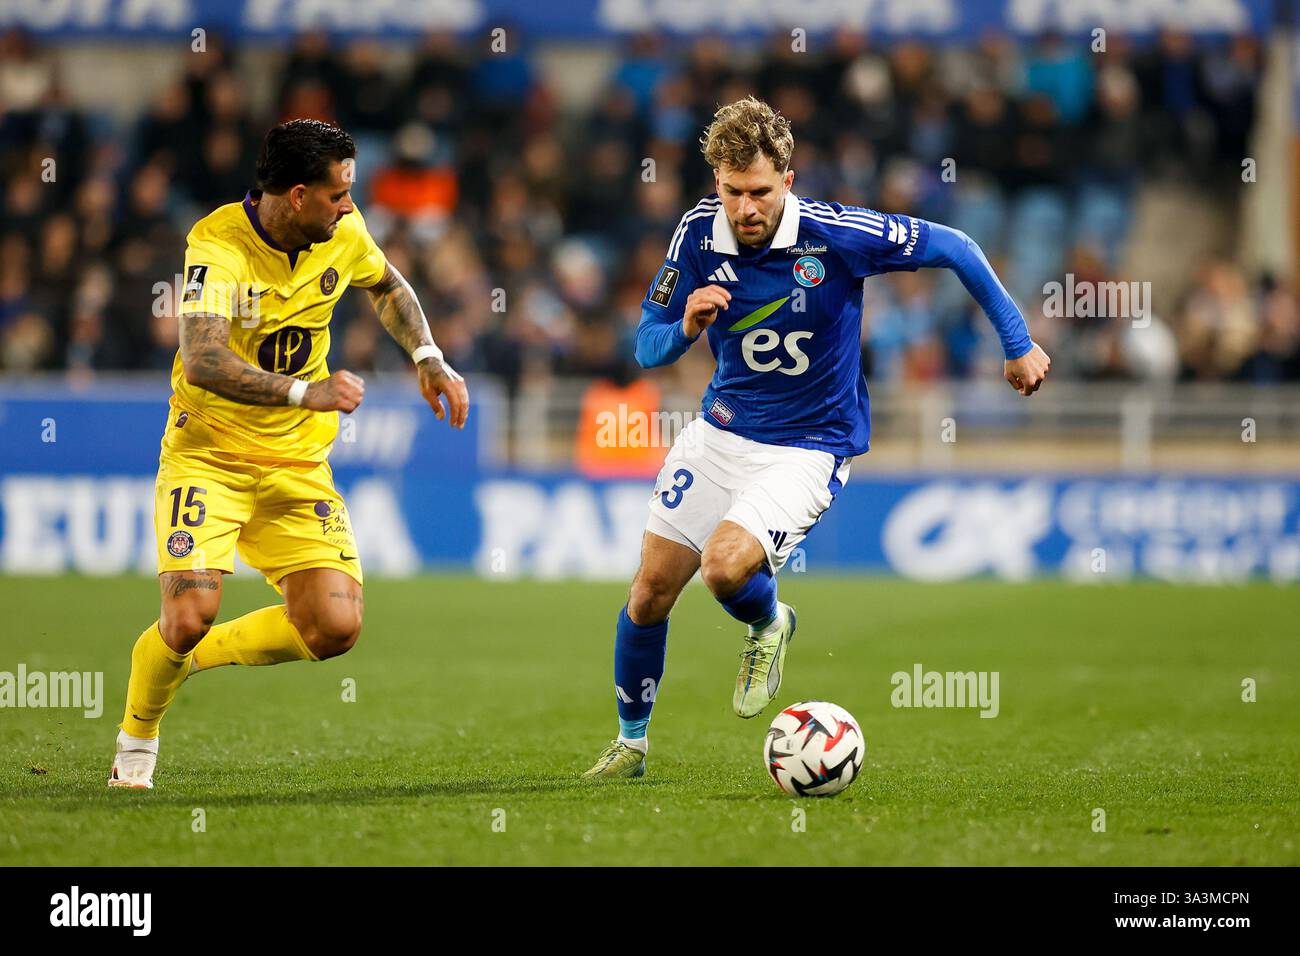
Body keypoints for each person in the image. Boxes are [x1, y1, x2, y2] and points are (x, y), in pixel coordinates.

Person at [583, 97, 1050, 779]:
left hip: (808, 446)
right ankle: (632, 744)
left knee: (724, 567)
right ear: (716, 182)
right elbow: (646, 347)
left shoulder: (837, 233)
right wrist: (684, 327)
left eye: (761, 192)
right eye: (732, 191)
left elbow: (958, 246)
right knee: (650, 591)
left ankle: (768, 622)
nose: (746, 208)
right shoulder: (695, 234)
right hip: (719, 435)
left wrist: (1017, 342)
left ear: (789, 182)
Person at [109, 119, 469, 789]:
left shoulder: (342, 234)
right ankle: (137, 740)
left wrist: (427, 355)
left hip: (296, 463)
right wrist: (308, 392)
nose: (351, 207)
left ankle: (186, 658)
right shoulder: (217, 245)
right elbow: (205, 358)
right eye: (339, 195)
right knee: (187, 614)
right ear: (297, 195)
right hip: (209, 453)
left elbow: (388, 285)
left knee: (334, 625)